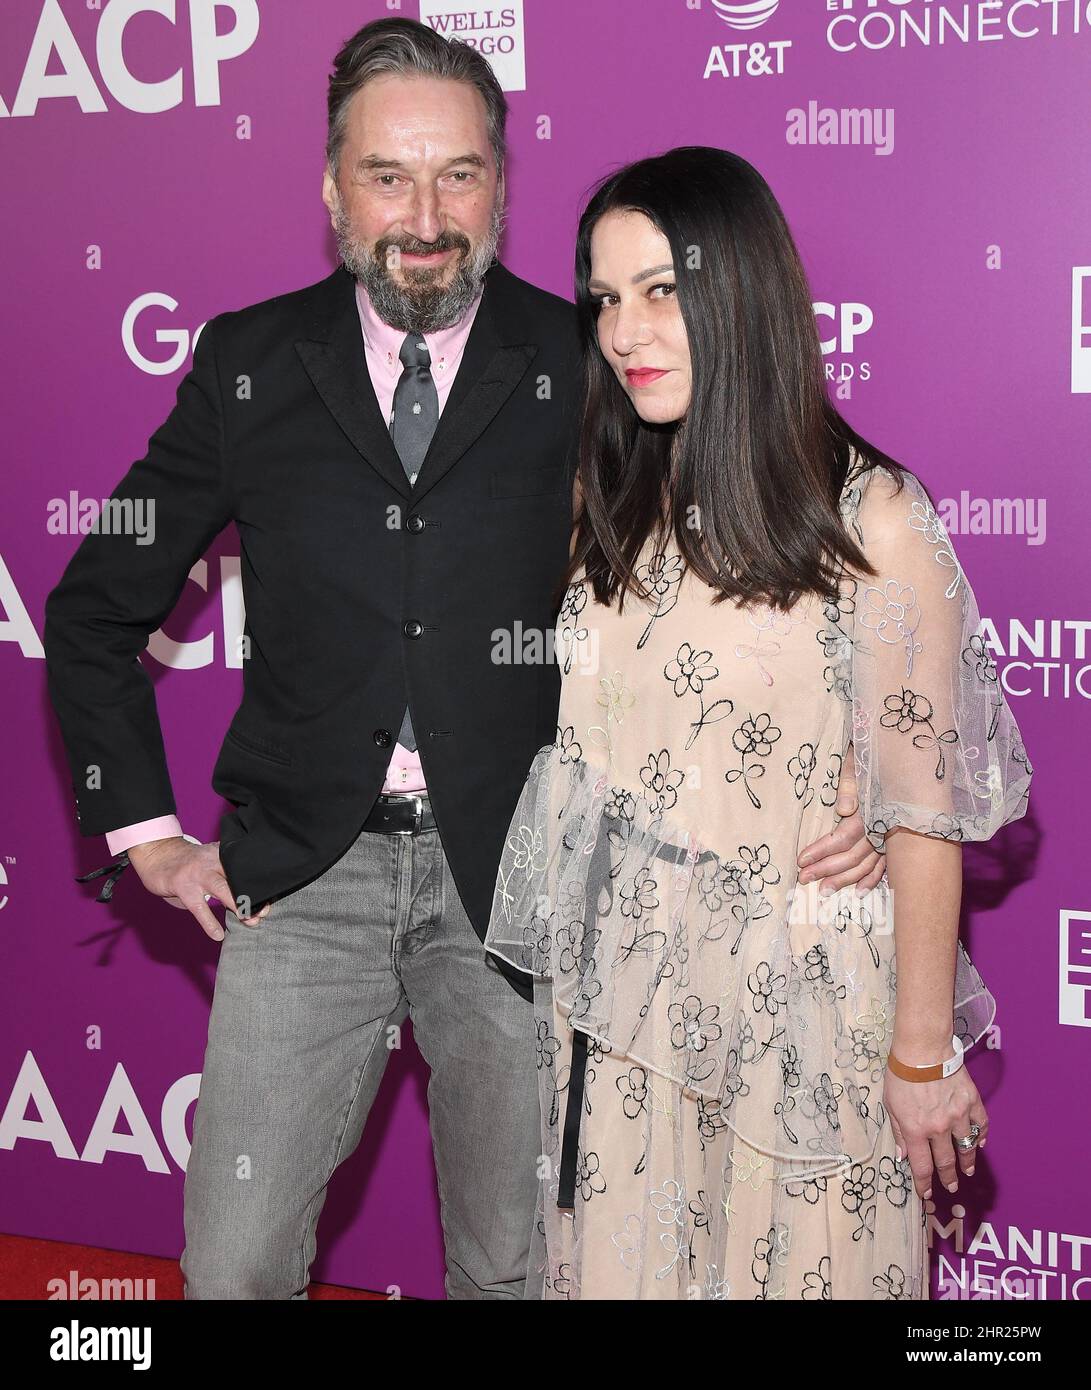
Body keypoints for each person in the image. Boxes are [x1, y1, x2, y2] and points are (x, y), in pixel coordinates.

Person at [44, 21, 883, 1300]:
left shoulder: (582, 358)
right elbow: (96, 603)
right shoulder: (247, 367)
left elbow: (769, 531)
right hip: (301, 882)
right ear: (332, 190)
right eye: (388, 175)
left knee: (510, 1268)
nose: (424, 215)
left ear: (501, 182)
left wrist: (866, 773)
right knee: (231, 1264)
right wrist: (143, 828)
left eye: (459, 175)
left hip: (523, 882)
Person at [484, 146, 1033, 1300]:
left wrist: (919, 1058)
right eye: (603, 300)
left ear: (739, 291)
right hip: (626, 1012)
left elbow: (923, 817)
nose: (625, 331)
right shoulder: (610, 499)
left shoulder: (872, 519)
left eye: (659, 291)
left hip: (798, 1017)